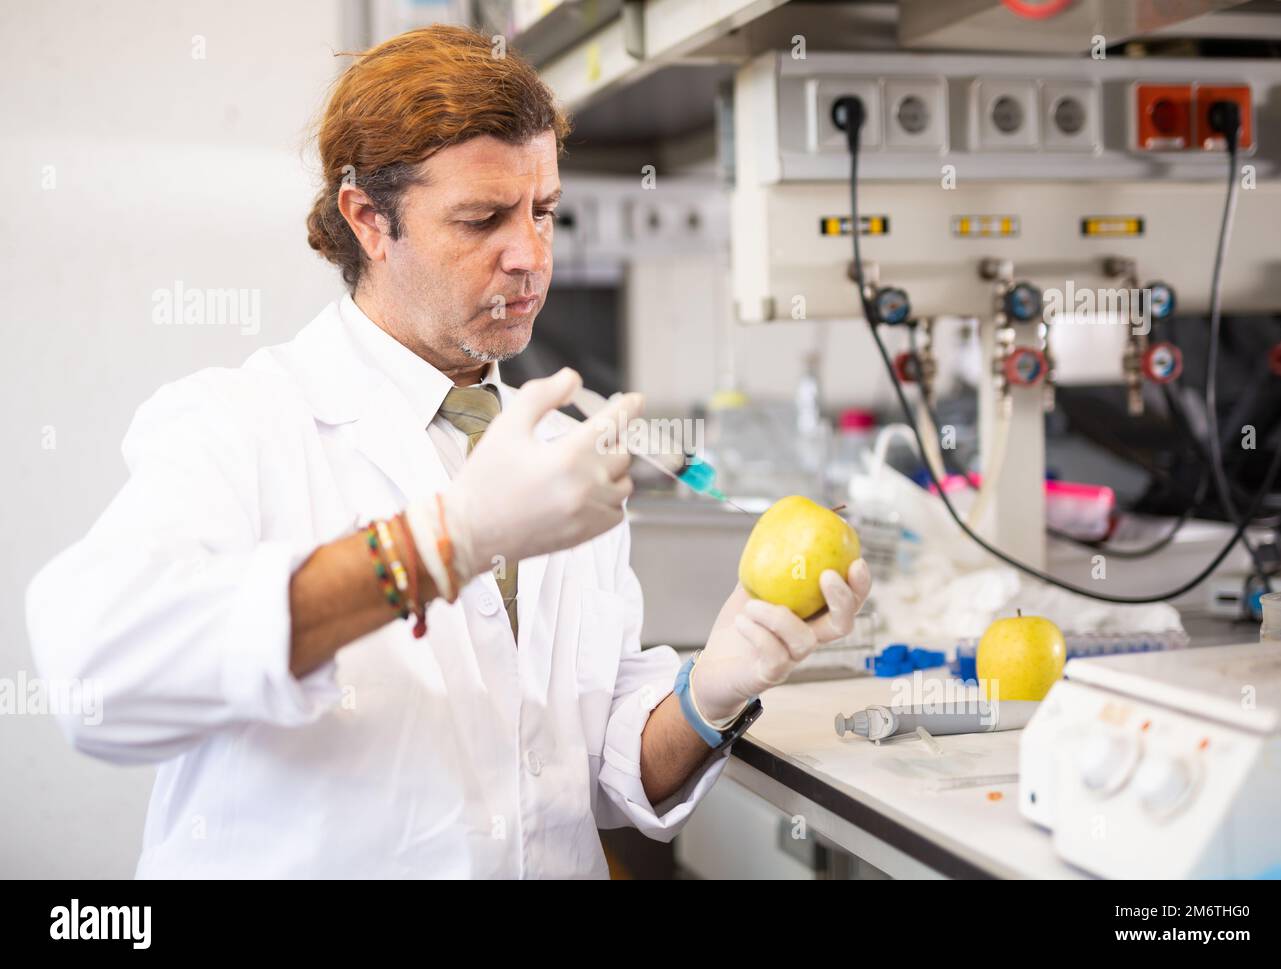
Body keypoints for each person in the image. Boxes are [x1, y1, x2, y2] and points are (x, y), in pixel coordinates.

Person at [25, 23, 871, 878]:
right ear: (369, 219)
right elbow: (96, 677)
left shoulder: (558, 457)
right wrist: (443, 543)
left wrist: (712, 689)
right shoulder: (240, 425)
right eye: (482, 218)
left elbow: (599, 776)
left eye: (543, 211)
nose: (530, 256)